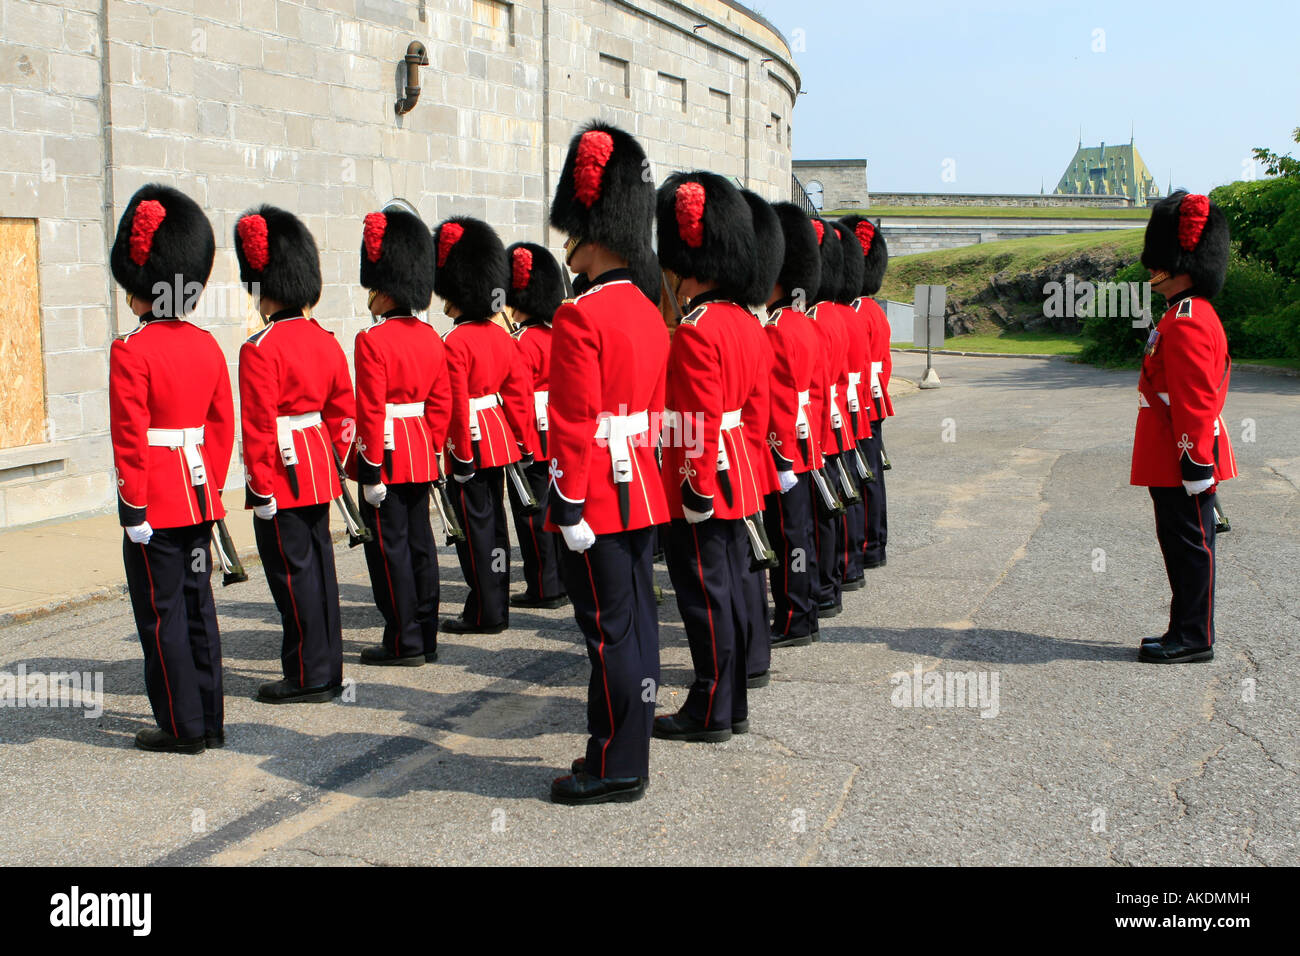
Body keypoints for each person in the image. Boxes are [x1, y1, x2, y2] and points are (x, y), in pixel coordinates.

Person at [545, 121, 670, 805]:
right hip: (640, 492)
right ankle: (620, 747)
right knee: (635, 628)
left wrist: (566, 503)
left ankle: (618, 764)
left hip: (594, 496)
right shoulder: (648, 312)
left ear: (589, 234)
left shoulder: (581, 316)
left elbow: (572, 424)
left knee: (608, 635)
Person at [109, 183, 234, 754]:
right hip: (197, 495)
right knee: (198, 605)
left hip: (155, 502)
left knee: (162, 616)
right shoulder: (207, 346)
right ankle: (210, 718)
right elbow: (220, 427)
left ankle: (180, 727)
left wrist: (132, 505)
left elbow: (130, 439)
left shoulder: (132, 350)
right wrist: (206, 482)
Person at [655, 171, 768, 744]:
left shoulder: (696, 330)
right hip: (739, 476)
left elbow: (697, 420)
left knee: (703, 601)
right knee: (725, 594)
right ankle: (733, 703)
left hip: (704, 484)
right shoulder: (748, 323)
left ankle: (710, 709)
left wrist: (694, 487)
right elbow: (757, 413)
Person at [234, 205, 354, 704]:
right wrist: (342, 463)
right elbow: (342, 410)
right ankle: (327, 667)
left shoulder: (260, 347)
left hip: (281, 470)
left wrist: (260, 486)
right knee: (319, 569)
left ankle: (306, 674)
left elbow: (259, 426)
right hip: (316, 464)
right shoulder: (325, 340)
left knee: (291, 574)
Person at [1131, 191, 1237, 664]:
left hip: (1183, 456)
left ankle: (1194, 637)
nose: (1153, 270)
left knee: (1191, 549)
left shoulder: (1189, 320)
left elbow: (1195, 401)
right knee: (1179, 546)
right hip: (1171, 452)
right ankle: (1182, 627)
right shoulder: (1180, 314)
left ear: (1179, 263)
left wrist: (1196, 462)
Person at [353, 207, 452, 665]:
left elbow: (371, 409)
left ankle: (402, 639)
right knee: (420, 543)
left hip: (387, 454)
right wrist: (432, 448)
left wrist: (371, 467)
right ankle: (426, 634)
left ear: (382, 289)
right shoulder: (432, 338)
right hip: (419, 450)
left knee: (389, 549)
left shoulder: (372, 340)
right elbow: (442, 404)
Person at [436, 216, 537, 635]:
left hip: (472, 442)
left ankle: (485, 611)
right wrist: (524, 441)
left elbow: (457, 406)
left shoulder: (454, 342)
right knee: (495, 525)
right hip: (498, 439)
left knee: (475, 531)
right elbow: (519, 395)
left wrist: (459, 453)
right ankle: (494, 605)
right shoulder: (503, 338)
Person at [762, 202, 828, 648]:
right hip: (808, 442)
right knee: (800, 533)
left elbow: (778, 400)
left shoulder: (776, 329)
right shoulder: (806, 325)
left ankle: (794, 618)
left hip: (786, 447)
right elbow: (817, 392)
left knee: (787, 538)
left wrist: (781, 455)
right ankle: (804, 611)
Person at [504, 241, 568, 610]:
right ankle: (560, 578)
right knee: (554, 506)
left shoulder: (522, 342)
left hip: (531, 434)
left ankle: (544, 586)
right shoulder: (555, 335)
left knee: (531, 515)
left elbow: (517, 399)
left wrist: (522, 442)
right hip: (555, 432)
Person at [805, 219, 854, 619]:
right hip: (838, 416)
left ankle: (824, 585)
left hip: (817, 423)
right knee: (832, 503)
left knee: (819, 511)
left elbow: (818, 384)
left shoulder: (817, 319)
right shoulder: (839, 315)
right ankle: (834, 577)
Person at [840, 215, 893, 569]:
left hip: (857, 402)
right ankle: (874, 543)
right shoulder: (872, 309)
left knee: (861, 474)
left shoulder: (856, 311)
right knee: (869, 470)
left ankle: (865, 543)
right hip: (871, 399)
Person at [831, 221, 869, 591]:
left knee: (831, 500)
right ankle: (854, 560)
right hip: (849, 407)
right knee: (851, 486)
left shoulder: (820, 319)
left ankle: (844, 567)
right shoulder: (853, 314)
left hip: (824, 415)